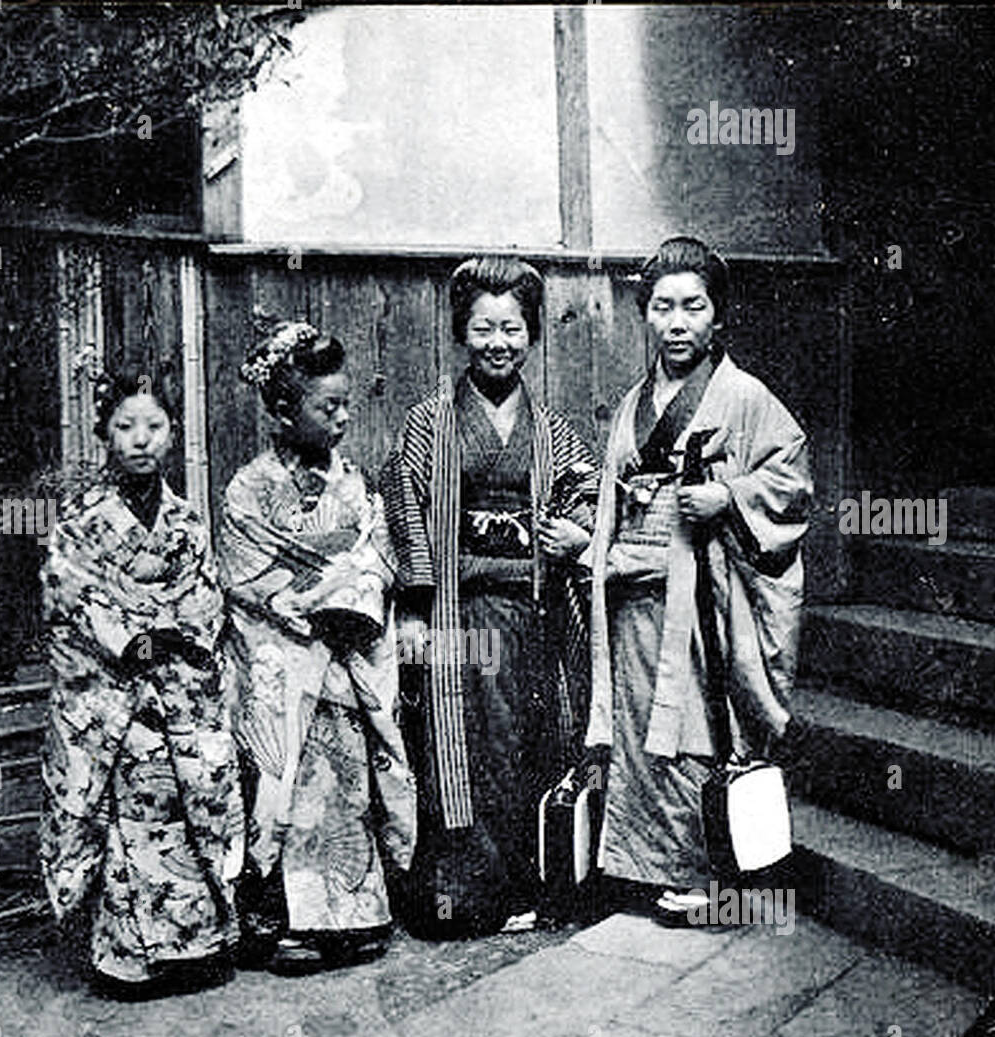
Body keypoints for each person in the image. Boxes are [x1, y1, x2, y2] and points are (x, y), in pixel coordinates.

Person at [585, 236, 812, 920]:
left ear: (719, 316)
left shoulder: (745, 396)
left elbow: (791, 481)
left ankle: (705, 874)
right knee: (639, 728)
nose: (676, 322)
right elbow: (614, 490)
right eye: (661, 307)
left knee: (694, 730)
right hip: (635, 590)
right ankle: (644, 867)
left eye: (693, 306)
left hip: (704, 598)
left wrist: (731, 496)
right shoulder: (633, 404)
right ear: (645, 315)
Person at [381, 256, 599, 936]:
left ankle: (535, 889)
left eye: (512, 328)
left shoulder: (552, 429)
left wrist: (576, 532)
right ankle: (466, 898)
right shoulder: (430, 422)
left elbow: (588, 494)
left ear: (531, 334)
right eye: (483, 328)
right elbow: (403, 501)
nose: (498, 342)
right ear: (460, 334)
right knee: (459, 751)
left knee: (528, 746)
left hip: (531, 614)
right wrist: (416, 604)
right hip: (458, 615)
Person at [40, 372, 244, 994]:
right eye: (125, 427)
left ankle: (199, 947)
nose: (140, 440)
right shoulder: (78, 523)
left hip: (179, 689)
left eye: (153, 426)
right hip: (110, 695)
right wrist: (144, 643)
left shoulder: (186, 522)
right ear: (104, 434)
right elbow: (74, 601)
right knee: (138, 769)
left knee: (197, 769)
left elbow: (204, 607)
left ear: (172, 433)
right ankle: (130, 959)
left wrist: (168, 648)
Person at [221, 322, 416, 972]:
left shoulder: (356, 481)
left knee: (349, 783)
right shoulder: (247, 489)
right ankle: (285, 924)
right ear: (281, 412)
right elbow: (244, 574)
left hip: (346, 654)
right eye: (325, 406)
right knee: (290, 785)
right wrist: (310, 598)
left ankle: (359, 914)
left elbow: (377, 557)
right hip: (283, 659)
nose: (342, 417)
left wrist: (348, 590)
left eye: (345, 403)